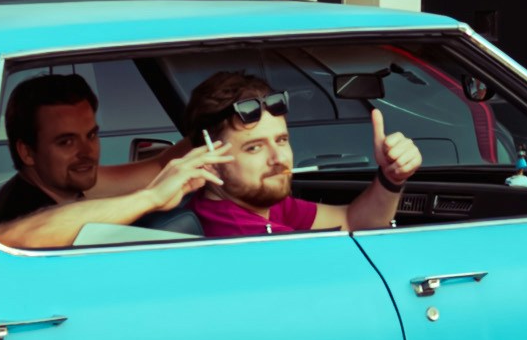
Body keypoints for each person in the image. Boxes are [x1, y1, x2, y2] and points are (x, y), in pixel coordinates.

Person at [0, 72, 228, 251]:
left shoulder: (61, 182)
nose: (87, 151)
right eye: (66, 142)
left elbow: (158, 167)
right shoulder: (25, 209)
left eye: (91, 135)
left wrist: (218, 120)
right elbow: (32, 234)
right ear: (27, 152)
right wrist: (152, 198)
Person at [173, 69, 417, 237]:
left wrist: (391, 178)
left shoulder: (254, 200)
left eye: (281, 140)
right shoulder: (239, 231)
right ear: (210, 163)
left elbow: (353, 221)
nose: (278, 158)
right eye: (254, 147)